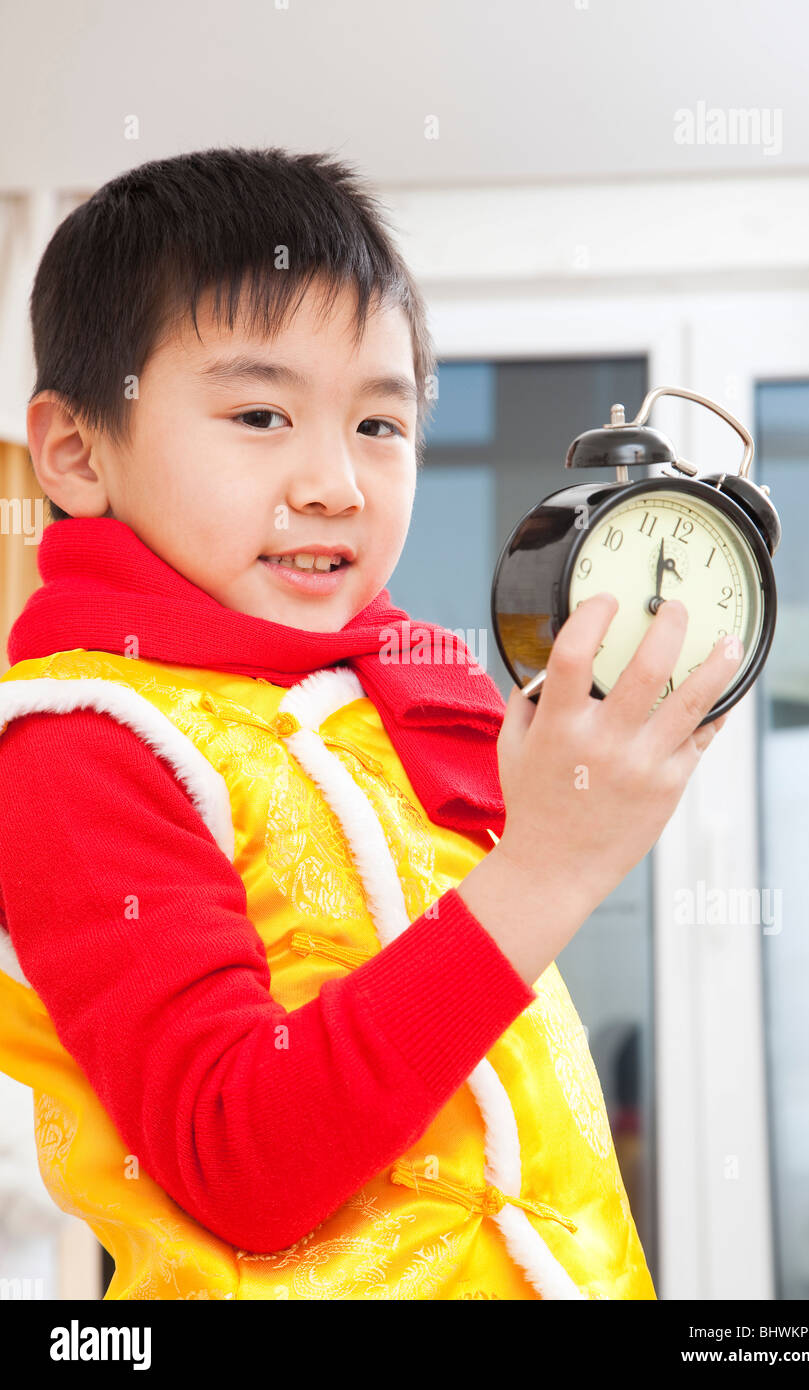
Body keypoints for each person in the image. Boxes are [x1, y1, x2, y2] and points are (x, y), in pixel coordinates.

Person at [0, 147, 741, 1301]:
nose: (336, 482)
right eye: (259, 412)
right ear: (78, 451)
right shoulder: (82, 736)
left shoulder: (406, 690)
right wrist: (547, 869)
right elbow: (235, 1160)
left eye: (380, 426)